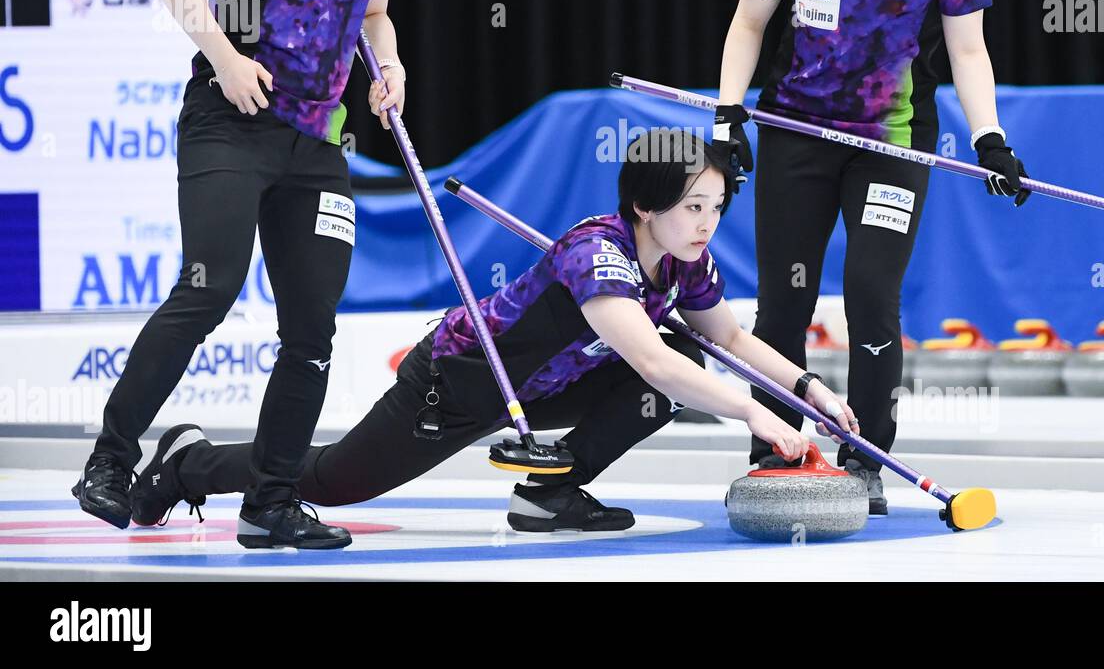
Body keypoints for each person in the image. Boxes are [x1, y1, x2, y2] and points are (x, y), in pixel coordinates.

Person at [127, 131, 858, 537]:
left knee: (662, 381)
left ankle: (551, 493)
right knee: (331, 482)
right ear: (644, 203)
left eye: (716, 208)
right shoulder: (596, 252)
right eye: (693, 207)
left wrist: (808, 386)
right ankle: (191, 462)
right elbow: (651, 358)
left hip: (545, 392)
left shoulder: (680, 264)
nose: (708, 224)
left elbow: (728, 336)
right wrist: (759, 414)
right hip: (461, 384)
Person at [73, 0, 420, 550]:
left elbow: (375, 14)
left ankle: (270, 503)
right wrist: (227, 61)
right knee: (210, 287)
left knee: (312, 329)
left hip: (317, 145)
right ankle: (109, 461)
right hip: (231, 124)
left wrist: (391, 68)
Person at [712, 0, 1031, 514]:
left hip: (893, 142)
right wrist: (728, 118)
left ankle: (866, 459)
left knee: (872, 295)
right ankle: (775, 449)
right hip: (798, 132)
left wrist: (989, 137)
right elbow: (749, 24)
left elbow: (969, 51)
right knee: (785, 302)